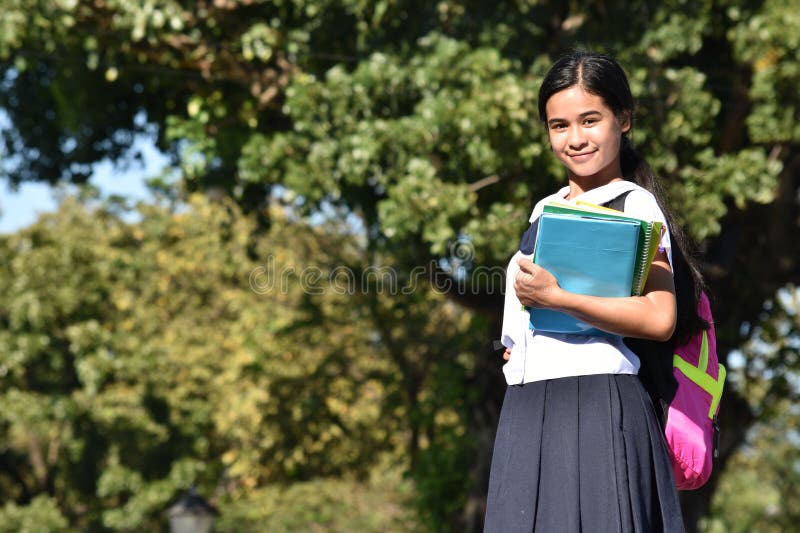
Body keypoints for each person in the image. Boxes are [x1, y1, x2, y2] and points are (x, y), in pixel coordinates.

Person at [483, 51, 707, 532]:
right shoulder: (545, 210)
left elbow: (659, 317)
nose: (575, 138)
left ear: (623, 120)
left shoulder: (634, 203)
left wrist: (559, 299)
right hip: (527, 406)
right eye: (559, 125)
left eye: (590, 120)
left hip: (597, 405)